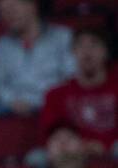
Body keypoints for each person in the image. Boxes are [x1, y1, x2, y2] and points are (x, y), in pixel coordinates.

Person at [0, 0, 75, 118]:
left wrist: (48, 100)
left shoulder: (63, 37)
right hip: (14, 106)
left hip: (56, 103)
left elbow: (72, 75)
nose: (8, 15)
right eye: (3, 11)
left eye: (13, 8)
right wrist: (12, 101)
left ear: (33, 6)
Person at [40, 27, 118, 156]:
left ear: (106, 51)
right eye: (80, 45)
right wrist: (78, 145)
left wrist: (105, 145)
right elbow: (49, 134)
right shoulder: (56, 95)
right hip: (70, 153)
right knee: (37, 157)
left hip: (113, 149)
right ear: (73, 52)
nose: (87, 51)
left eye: (94, 44)